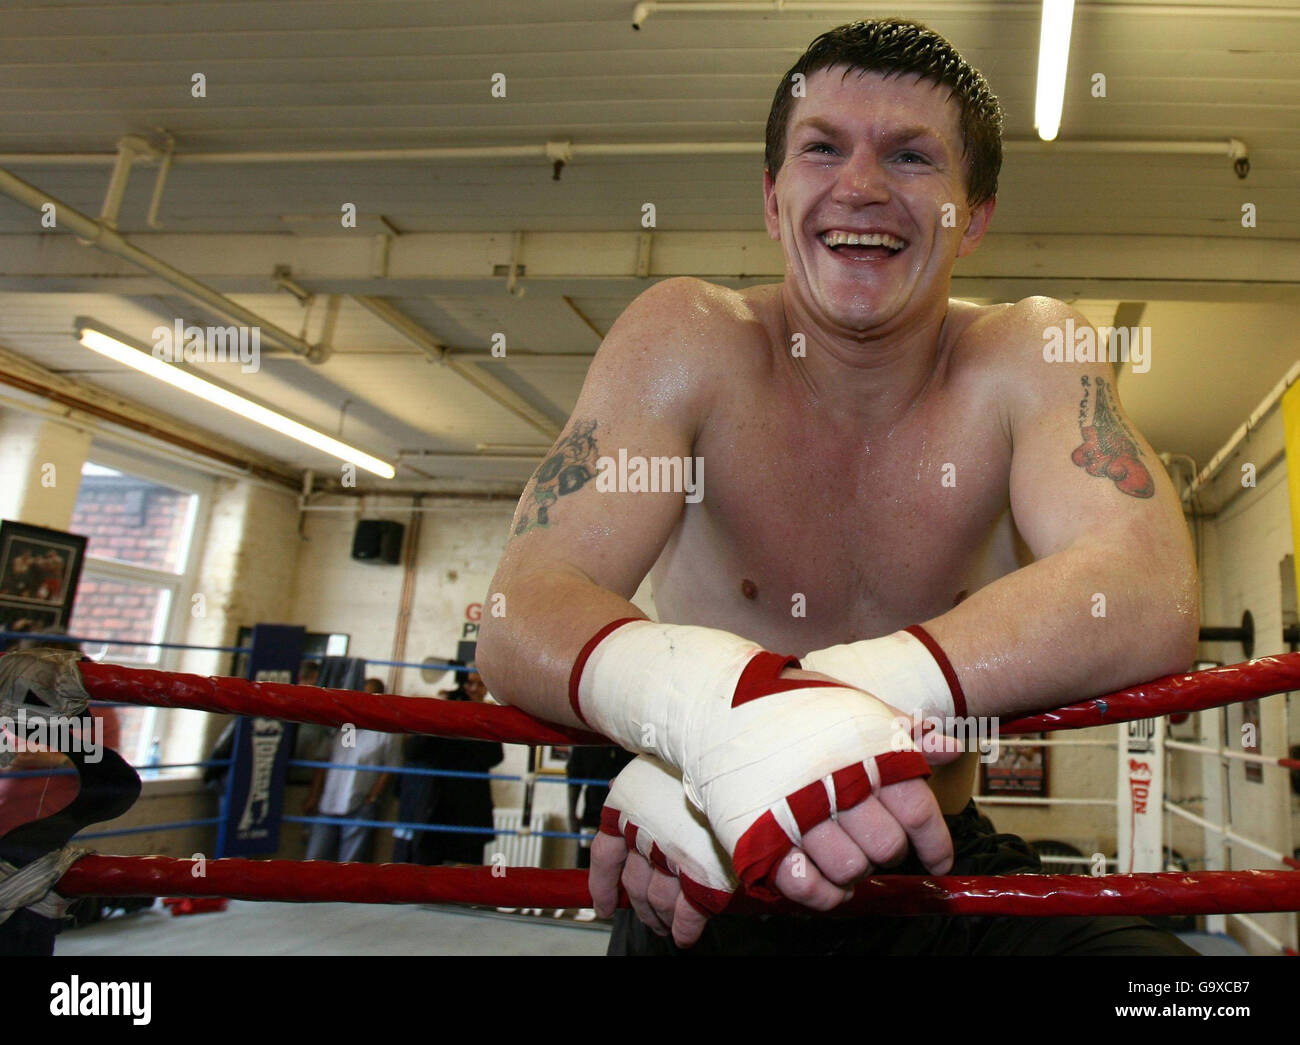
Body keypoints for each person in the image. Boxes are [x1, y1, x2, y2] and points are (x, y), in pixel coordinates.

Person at [477, 18, 1199, 956]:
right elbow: (520, 603)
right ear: (775, 201)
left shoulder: (1026, 352)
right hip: (711, 862)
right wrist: (710, 743)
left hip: (932, 859)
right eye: (823, 148)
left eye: (910, 156)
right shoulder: (690, 338)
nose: (860, 186)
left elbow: (1147, 586)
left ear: (973, 213)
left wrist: (755, 723)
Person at [393, 665, 503, 865]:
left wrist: (479, 720)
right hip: (434, 808)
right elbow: (412, 751)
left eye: (481, 684)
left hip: (469, 810)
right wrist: (438, 715)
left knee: (465, 879)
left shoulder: (488, 716)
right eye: (470, 683)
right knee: (424, 874)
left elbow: (494, 757)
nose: (475, 689)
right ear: (461, 684)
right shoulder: (445, 709)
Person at [303, 677, 395, 862]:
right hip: (329, 801)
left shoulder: (383, 731)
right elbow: (325, 758)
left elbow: (391, 767)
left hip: (359, 805)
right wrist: (314, 794)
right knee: (314, 861)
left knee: (349, 866)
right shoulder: (346, 726)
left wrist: (372, 798)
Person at [567, 745, 635, 869]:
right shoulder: (586, 742)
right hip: (593, 816)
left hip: (625, 818)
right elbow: (574, 777)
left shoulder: (629, 740)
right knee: (586, 864)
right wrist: (571, 815)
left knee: (623, 868)